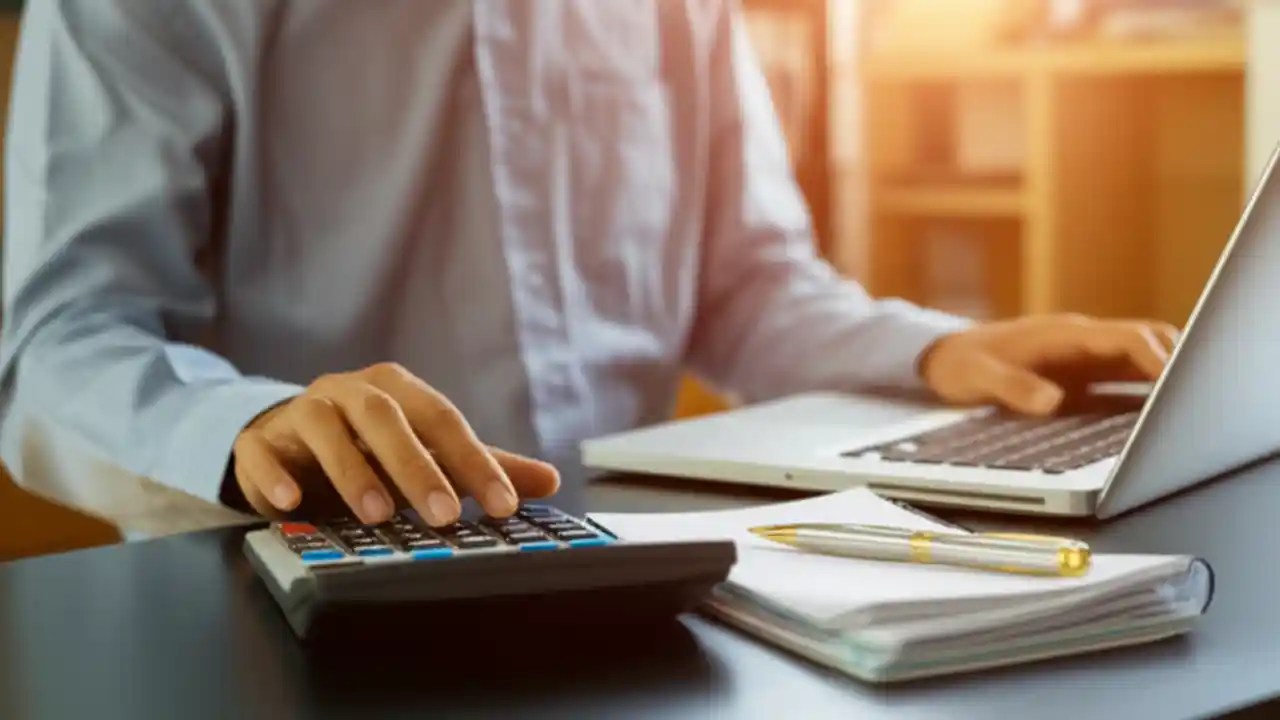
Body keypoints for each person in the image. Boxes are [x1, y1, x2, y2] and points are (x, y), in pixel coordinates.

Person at [0, 1, 1175, 531]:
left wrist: (933, 347)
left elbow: (746, 286)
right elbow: (59, 339)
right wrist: (244, 427)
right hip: (277, 585)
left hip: (623, 573)